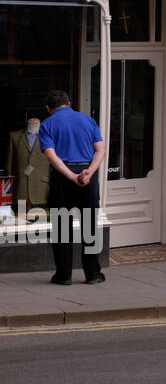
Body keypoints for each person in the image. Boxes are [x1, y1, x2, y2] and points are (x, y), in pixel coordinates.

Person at [38, 90, 106, 285]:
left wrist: (72, 176)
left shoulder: (48, 124)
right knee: (90, 227)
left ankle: (64, 275)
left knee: (62, 228)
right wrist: (88, 173)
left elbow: (51, 156)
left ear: (48, 108)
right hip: (87, 176)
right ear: (69, 103)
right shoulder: (87, 120)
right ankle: (93, 274)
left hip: (63, 178)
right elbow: (100, 150)